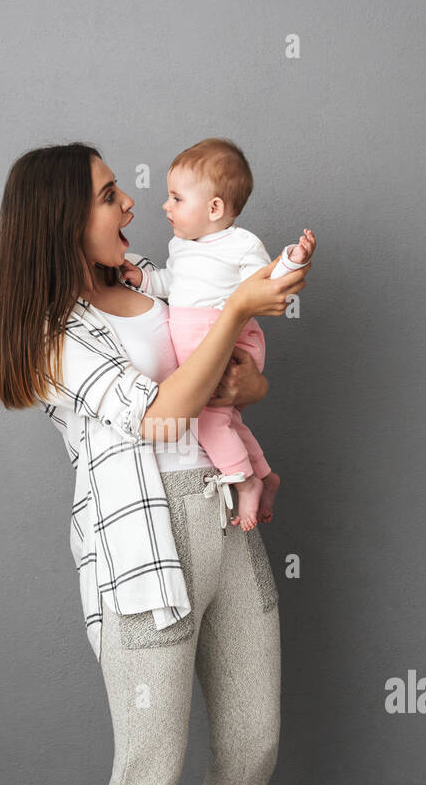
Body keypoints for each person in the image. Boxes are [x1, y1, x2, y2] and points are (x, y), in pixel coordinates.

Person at [0, 142, 312, 785]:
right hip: (142, 549)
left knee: (252, 740)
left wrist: (251, 355)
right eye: (105, 194)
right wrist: (239, 312)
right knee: (149, 772)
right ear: (62, 220)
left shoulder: (151, 278)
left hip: (222, 521)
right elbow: (163, 410)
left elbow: (241, 378)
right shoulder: (54, 333)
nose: (127, 200)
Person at [119, 136, 315, 530]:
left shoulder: (241, 244)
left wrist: (293, 260)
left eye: (176, 198)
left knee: (208, 422)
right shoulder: (182, 245)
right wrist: (144, 278)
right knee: (227, 421)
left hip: (233, 342)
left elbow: (266, 281)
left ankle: (244, 483)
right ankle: (263, 472)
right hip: (203, 343)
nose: (165, 206)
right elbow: (172, 282)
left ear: (214, 208)